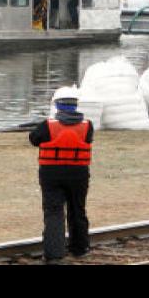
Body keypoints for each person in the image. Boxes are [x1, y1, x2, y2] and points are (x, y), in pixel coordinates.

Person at [28, 87, 94, 264]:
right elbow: (87, 140)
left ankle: (54, 253)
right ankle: (79, 249)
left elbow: (33, 139)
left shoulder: (47, 125)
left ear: (57, 105)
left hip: (51, 174)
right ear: (76, 105)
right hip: (78, 174)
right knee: (77, 209)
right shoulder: (88, 125)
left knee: (54, 212)